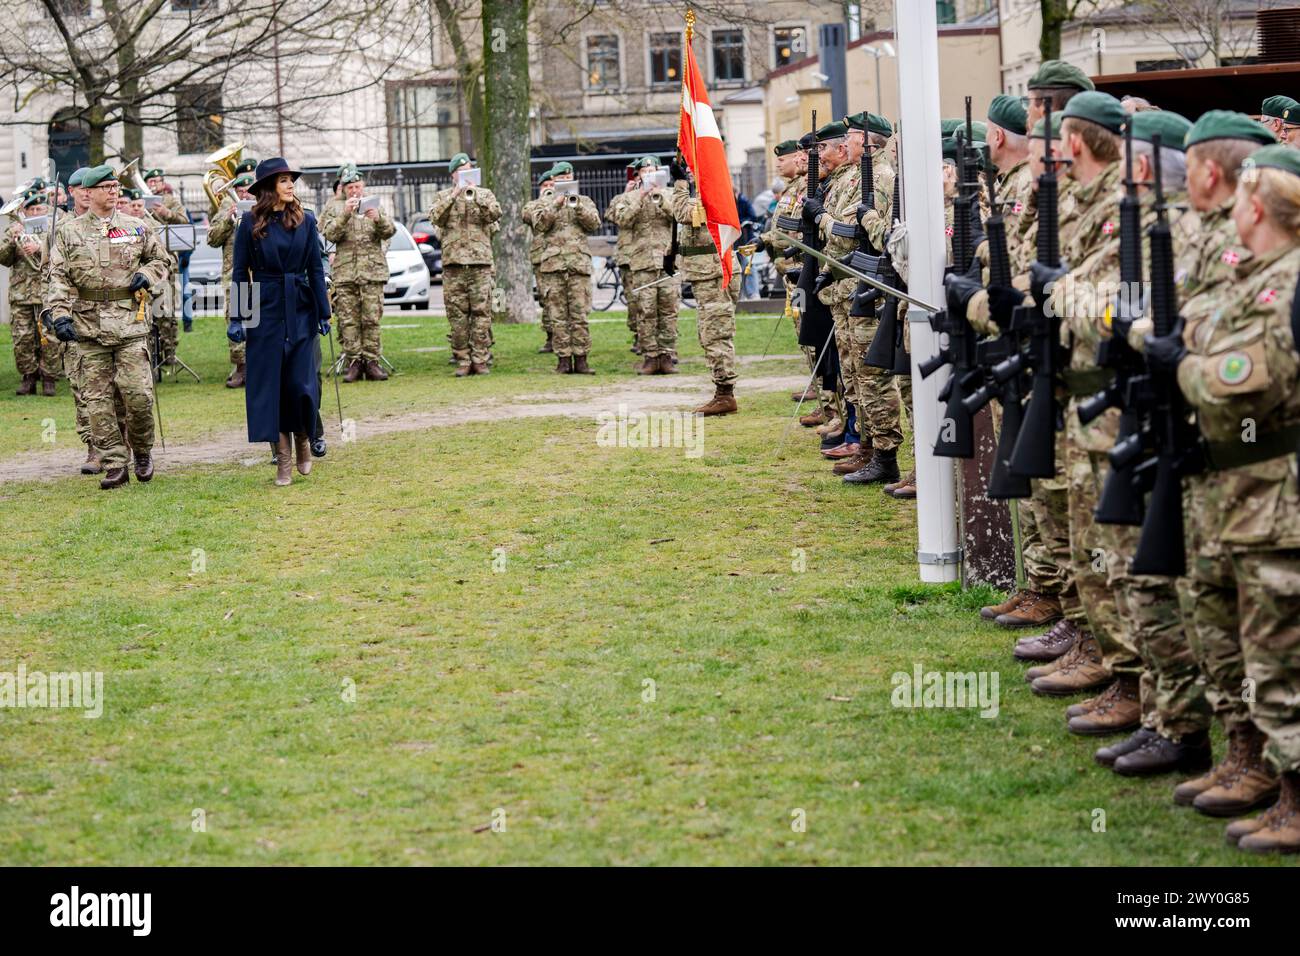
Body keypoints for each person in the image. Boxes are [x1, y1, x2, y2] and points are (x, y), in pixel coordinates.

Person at [1153, 143, 1300, 852]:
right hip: (1238, 485)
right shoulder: (1255, 274)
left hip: (1275, 492)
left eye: (1243, 196)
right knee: (1243, 639)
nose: (1231, 207)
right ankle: (1257, 767)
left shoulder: (1288, 282)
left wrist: (1183, 366)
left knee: (1279, 653)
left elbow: (1237, 380)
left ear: (1262, 205)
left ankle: (1295, 797)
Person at [45, 164, 170, 489]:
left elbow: (162, 259)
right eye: (107, 187)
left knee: (139, 397)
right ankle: (115, 462)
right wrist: (59, 314)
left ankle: (142, 451)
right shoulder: (68, 232)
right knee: (97, 403)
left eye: (116, 186)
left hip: (130, 324)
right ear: (90, 192)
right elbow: (57, 276)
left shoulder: (137, 226)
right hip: (88, 327)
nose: (114, 192)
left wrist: (149, 275)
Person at [227, 157, 331, 486]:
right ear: (269, 188)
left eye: (291, 180)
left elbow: (316, 268)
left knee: (301, 384)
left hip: (300, 306)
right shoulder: (249, 222)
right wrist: (237, 317)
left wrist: (323, 310)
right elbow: (240, 272)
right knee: (270, 387)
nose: (290, 185)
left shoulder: (306, 220)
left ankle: (303, 438)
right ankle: (282, 458)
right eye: (283, 180)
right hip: (265, 308)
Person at [669, 161, 739, 415]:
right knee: (711, 332)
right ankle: (722, 390)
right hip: (708, 271)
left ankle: (725, 394)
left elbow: (684, 214)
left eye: (691, 168)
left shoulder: (711, 190)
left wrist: (679, 185)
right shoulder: (704, 189)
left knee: (715, 334)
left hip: (713, 272)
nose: (688, 172)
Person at [320, 166, 396, 382]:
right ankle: (354, 362)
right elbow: (326, 236)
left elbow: (390, 230)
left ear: (363, 186)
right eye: (350, 187)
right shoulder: (334, 207)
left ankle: (372, 362)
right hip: (345, 273)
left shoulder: (374, 204)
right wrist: (345, 215)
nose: (354, 191)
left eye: (357, 186)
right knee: (348, 320)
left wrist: (377, 218)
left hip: (372, 271)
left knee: (371, 318)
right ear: (343, 188)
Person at [429, 153, 500, 376]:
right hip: (454, 264)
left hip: (480, 262)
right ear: (453, 175)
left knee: (482, 313)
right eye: (460, 172)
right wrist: (455, 194)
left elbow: (496, 214)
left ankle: (480, 359)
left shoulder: (485, 194)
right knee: (457, 315)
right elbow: (436, 218)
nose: (464, 175)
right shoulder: (443, 196)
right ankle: (462, 359)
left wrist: (476, 195)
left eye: (468, 170)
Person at [531, 160, 601, 374]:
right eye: (561, 180)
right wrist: (556, 203)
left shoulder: (584, 201)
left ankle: (581, 359)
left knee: (579, 315)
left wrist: (577, 205)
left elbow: (594, 224)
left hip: (578, 266)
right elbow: (540, 225)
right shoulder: (545, 202)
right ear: (553, 181)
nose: (565, 182)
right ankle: (563, 359)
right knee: (558, 316)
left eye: (568, 179)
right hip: (553, 266)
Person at [612, 156, 678, 375]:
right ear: (638, 175)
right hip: (641, 262)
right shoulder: (629, 197)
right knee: (646, 310)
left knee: (668, 310)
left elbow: (678, 217)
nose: (649, 174)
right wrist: (641, 196)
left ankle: (667, 355)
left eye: (653, 170)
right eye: (645, 171)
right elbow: (622, 220)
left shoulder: (670, 194)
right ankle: (650, 356)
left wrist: (661, 198)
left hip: (667, 260)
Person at [0, 190, 61, 396]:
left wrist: (39, 248)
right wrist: (12, 239)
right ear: (24, 211)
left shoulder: (54, 229)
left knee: (49, 337)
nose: (35, 212)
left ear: (45, 210)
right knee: (22, 338)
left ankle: (49, 378)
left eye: (39, 209)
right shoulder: (14, 229)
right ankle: (28, 377)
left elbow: (63, 254)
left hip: (47, 292)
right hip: (21, 294)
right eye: (31, 209)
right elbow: (3, 258)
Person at [207, 172, 254, 387]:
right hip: (233, 274)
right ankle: (241, 367)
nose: (244, 193)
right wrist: (229, 219)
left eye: (248, 189)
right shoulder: (226, 208)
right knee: (235, 317)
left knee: (261, 319)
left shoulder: (265, 206)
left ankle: (260, 365)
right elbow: (212, 239)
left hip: (262, 273)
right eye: (240, 190)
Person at [603, 163, 639, 354]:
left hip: (656, 257)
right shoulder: (623, 198)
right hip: (629, 256)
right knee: (633, 300)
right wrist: (628, 194)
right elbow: (612, 216)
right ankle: (639, 336)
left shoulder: (664, 194)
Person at [524, 167, 558, 353]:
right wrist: (547, 201)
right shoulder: (534, 205)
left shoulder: (568, 202)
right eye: (546, 185)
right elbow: (529, 218)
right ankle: (551, 337)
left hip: (562, 257)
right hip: (542, 258)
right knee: (547, 298)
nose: (550, 188)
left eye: (553, 185)